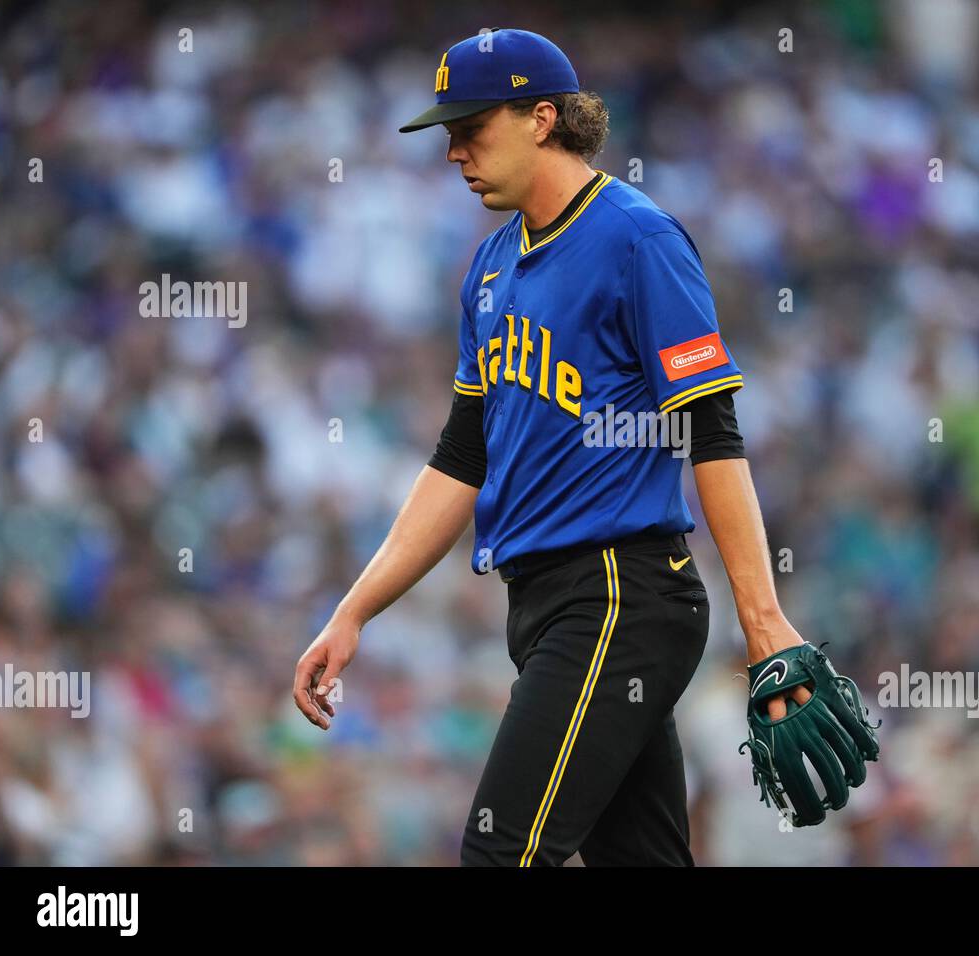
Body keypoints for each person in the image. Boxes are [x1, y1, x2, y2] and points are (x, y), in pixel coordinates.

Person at [293, 27, 814, 866]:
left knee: (498, 852)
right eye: (448, 132)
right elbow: (462, 459)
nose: (455, 149)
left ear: (543, 117)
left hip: (617, 592)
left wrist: (765, 623)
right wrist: (354, 610)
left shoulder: (637, 238)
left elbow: (709, 432)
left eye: (472, 126)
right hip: (546, 606)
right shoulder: (490, 269)